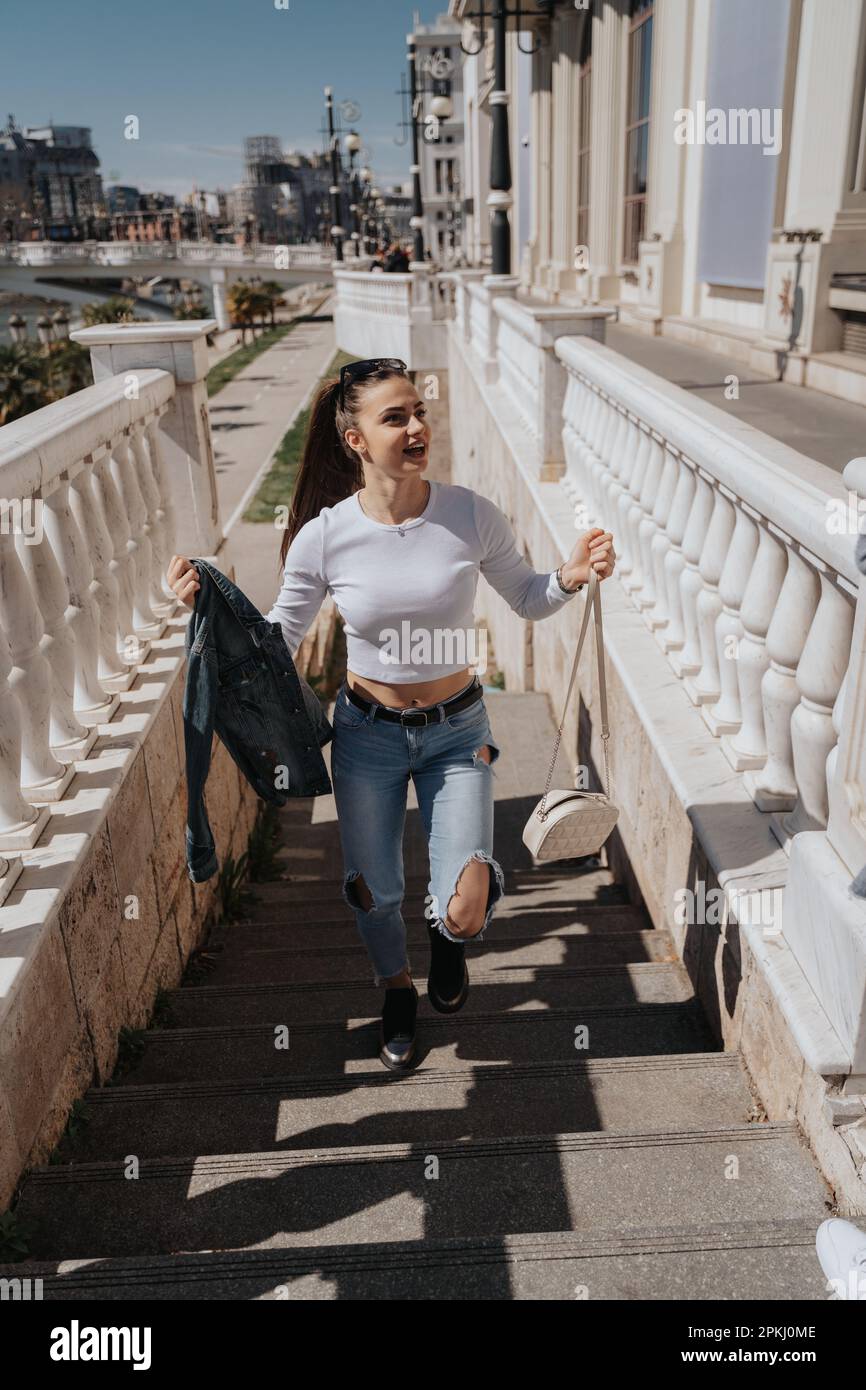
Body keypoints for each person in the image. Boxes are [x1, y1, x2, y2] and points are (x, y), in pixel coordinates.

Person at [168, 357, 616, 1071]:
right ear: (354, 440)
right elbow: (276, 642)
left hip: (459, 733)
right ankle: (396, 989)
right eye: (395, 417)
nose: (416, 428)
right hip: (366, 738)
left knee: (464, 909)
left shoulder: (470, 514)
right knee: (373, 891)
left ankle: (446, 938)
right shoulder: (325, 536)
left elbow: (529, 596)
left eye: (419, 413)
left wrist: (569, 574)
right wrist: (207, 610)